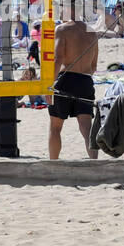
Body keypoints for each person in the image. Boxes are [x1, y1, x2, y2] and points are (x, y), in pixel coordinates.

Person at [48, 15, 99, 160]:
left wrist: (49, 84)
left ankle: (53, 164)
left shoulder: (62, 29)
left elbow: (58, 59)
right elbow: (94, 65)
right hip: (85, 81)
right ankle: (94, 163)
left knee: (55, 128)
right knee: (86, 128)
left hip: (65, 80)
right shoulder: (91, 31)